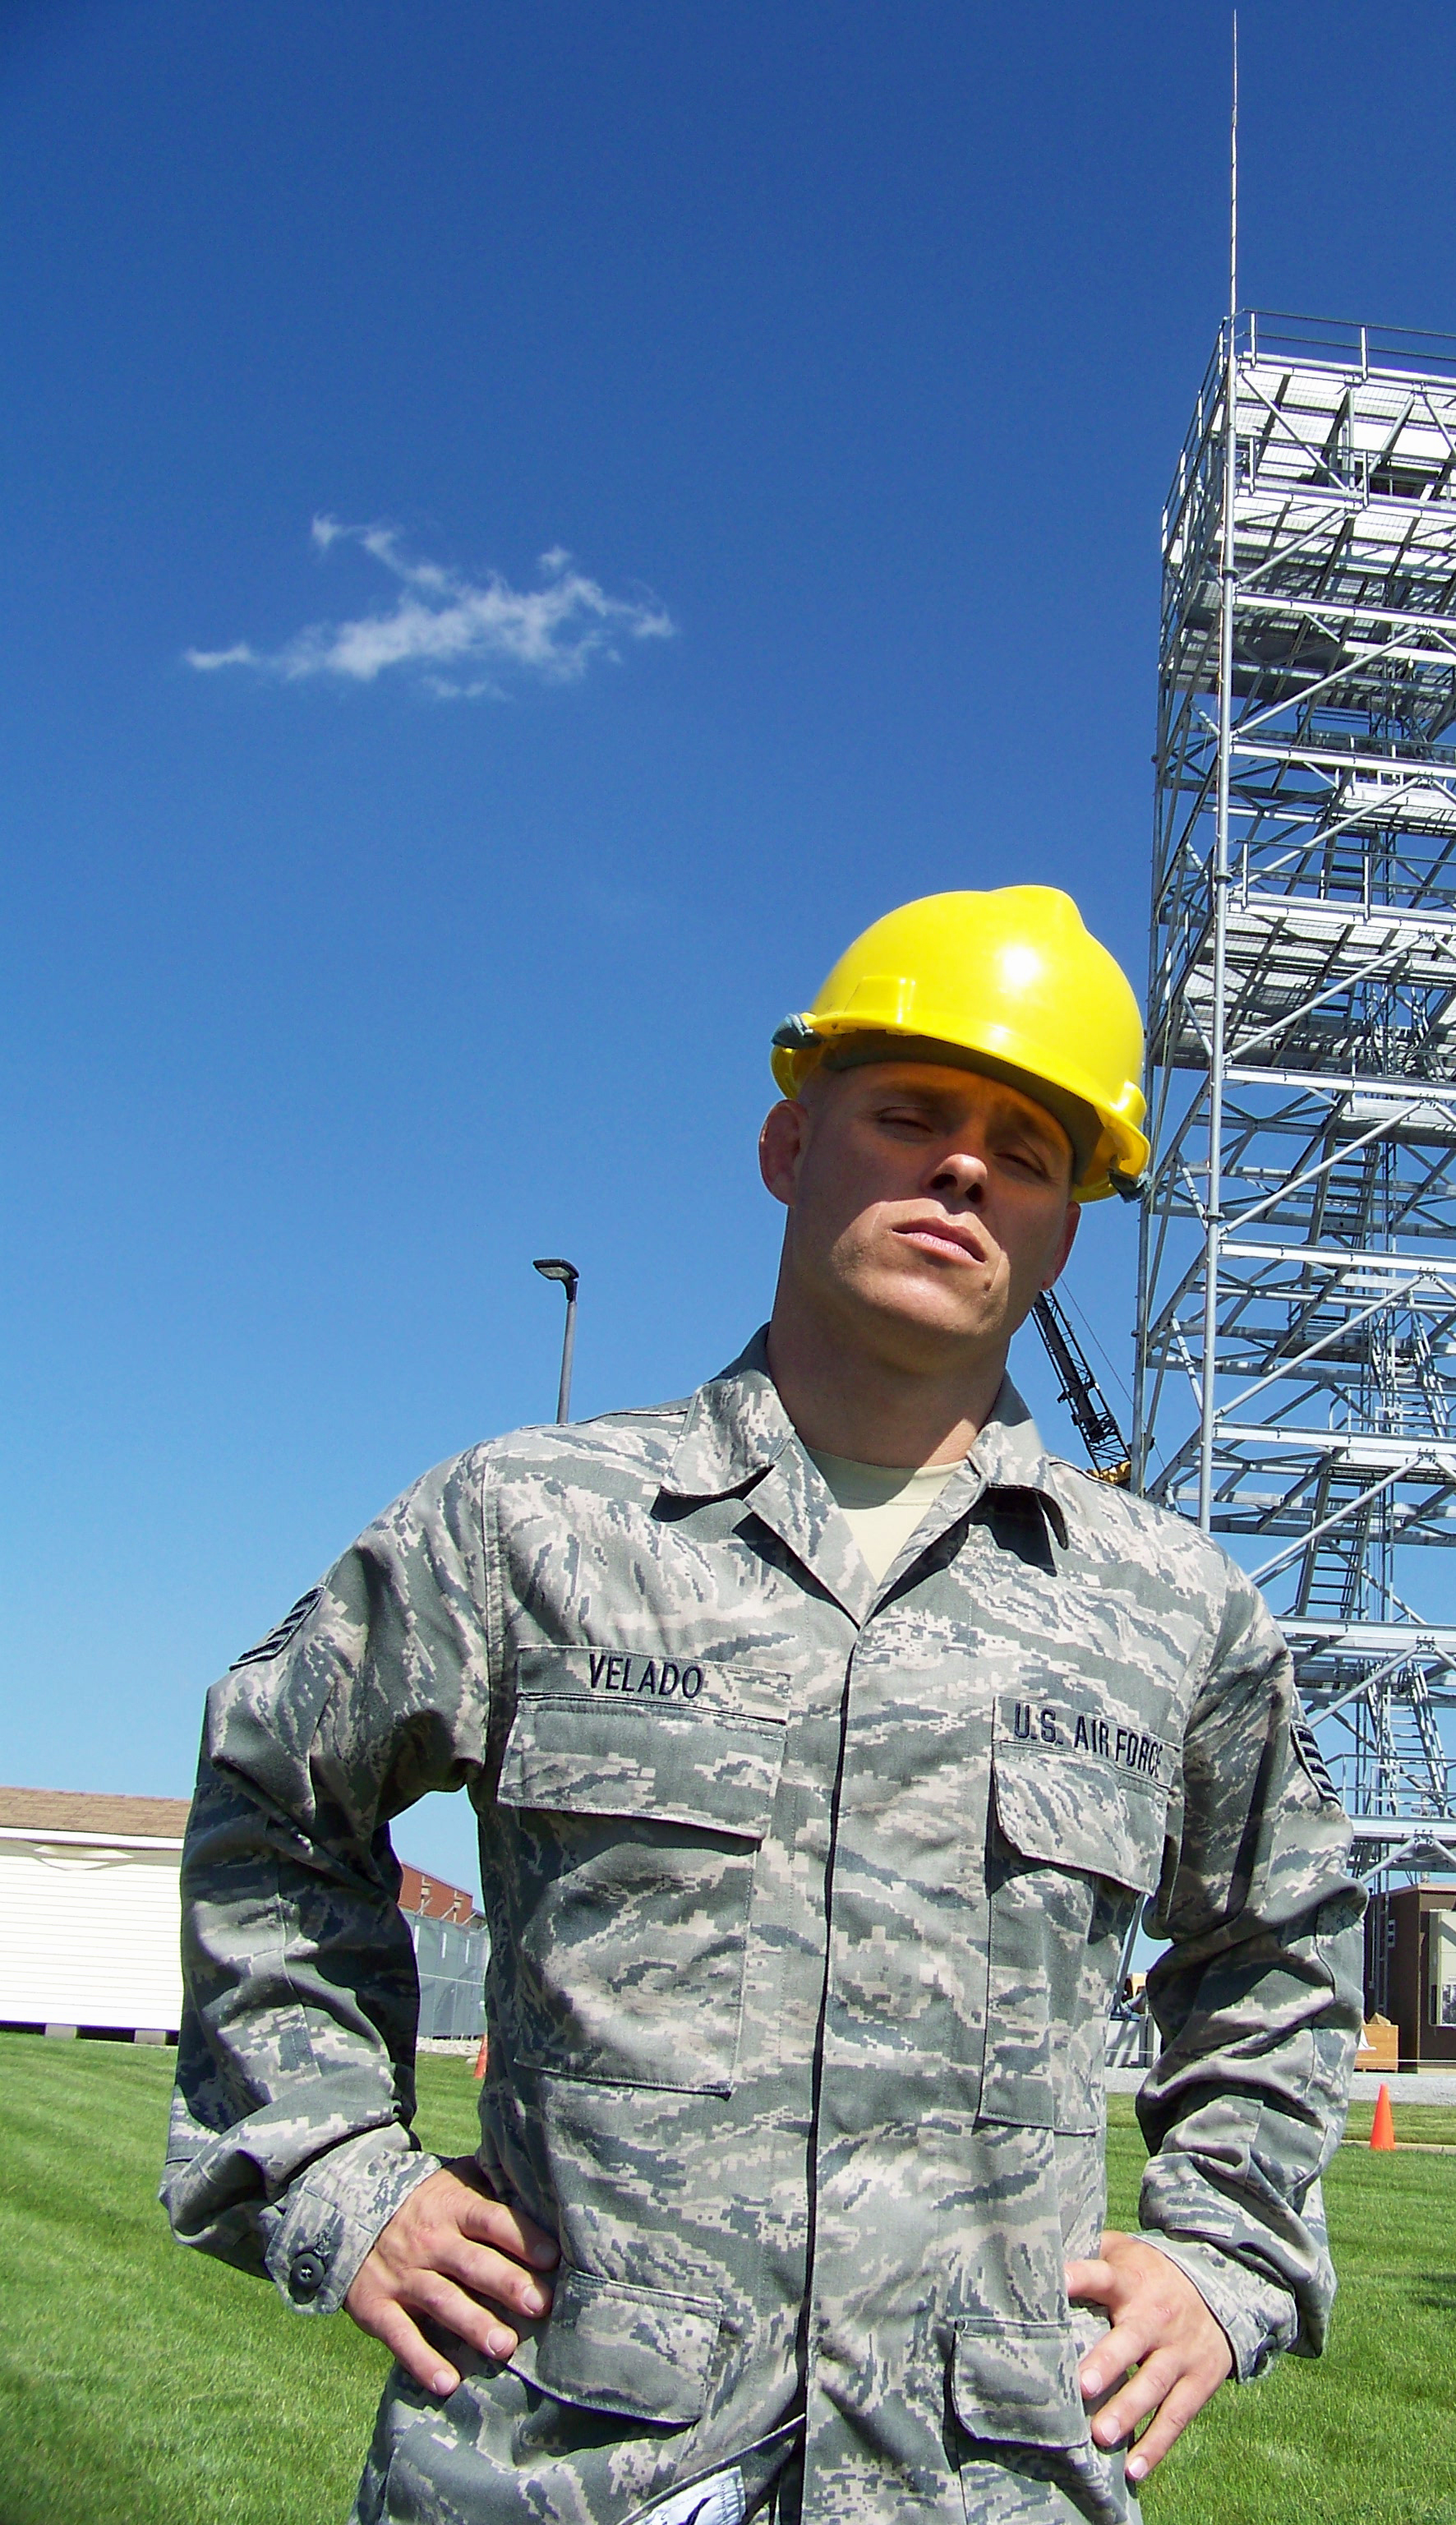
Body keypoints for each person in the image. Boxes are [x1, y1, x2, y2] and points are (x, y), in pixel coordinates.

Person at [164, 884, 1363, 2525]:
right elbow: (272, 1802)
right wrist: (327, 2167)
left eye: (1026, 1148)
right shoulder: (526, 1522)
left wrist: (1226, 2259)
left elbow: (1283, 1940)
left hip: (987, 2477)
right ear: (790, 1147)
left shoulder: (1171, 1612)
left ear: (1067, 1225)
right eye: (910, 1115)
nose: (964, 1168)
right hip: (561, 2463)